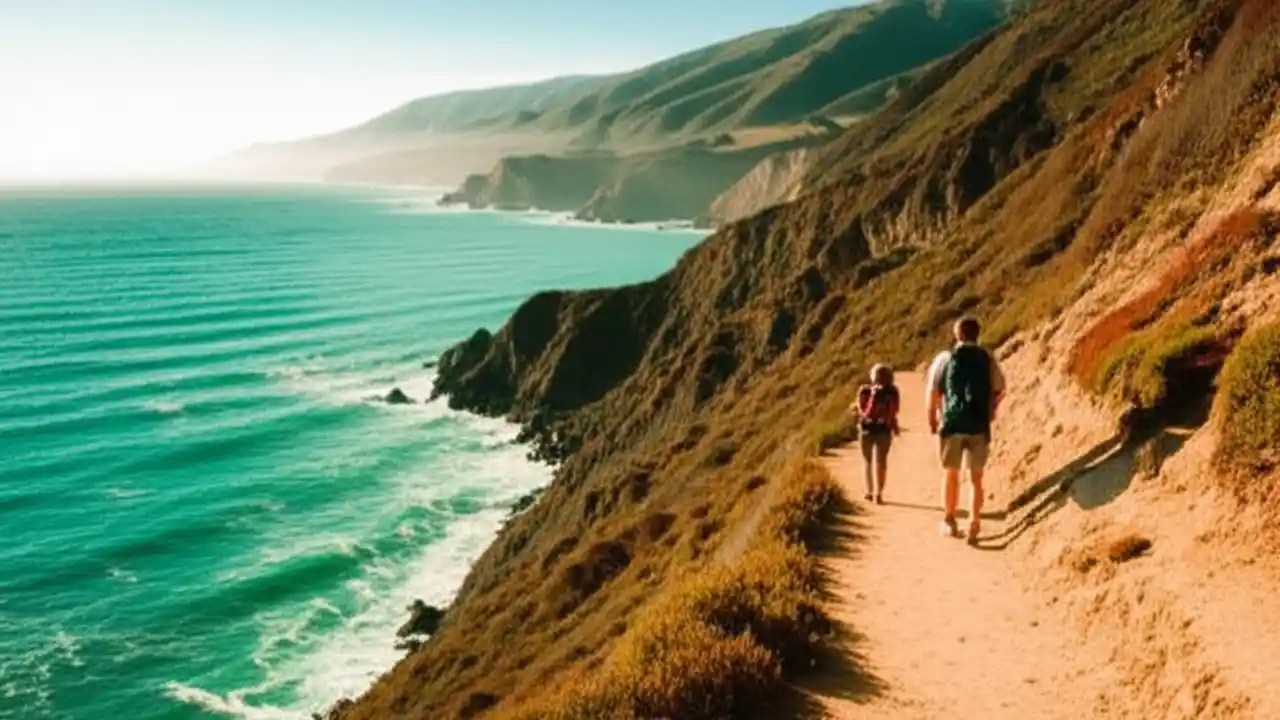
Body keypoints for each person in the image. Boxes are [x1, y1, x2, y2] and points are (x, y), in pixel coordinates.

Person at [926, 317, 1006, 544]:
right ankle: (974, 521)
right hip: (978, 425)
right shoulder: (986, 358)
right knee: (976, 478)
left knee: (951, 474)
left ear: (957, 335)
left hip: (951, 424)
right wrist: (990, 410)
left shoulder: (946, 359)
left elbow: (933, 392)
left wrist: (933, 419)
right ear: (977, 335)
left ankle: (950, 520)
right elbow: (1000, 387)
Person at [850, 364, 901, 505]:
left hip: (866, 430)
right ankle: (879, 493)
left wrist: (855, 410)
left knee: (867, 461)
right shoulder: (893, 392)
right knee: (881, 462)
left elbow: (861, 410)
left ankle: (869, 491)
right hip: (884, 430)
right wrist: (894, 426)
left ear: (873, 377)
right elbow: (895, 411)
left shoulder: (865, 390)